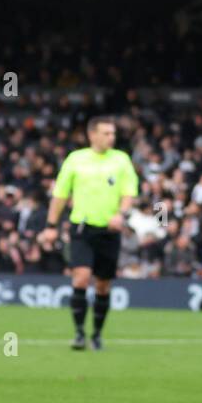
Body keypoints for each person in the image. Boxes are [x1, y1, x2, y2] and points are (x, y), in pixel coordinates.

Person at [42, 116, 139, 351]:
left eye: (113, 133)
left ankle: (96, 333)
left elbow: (129, 192)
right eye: (106, 133)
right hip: (82, 228)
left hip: (109, 230)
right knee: (82, 277)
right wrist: (51, 226)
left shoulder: (121, 160)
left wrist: (121, 214)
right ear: (92, 135)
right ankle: (78, 333)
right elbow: (60, 195)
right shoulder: (76, 160)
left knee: (103, 285)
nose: (111, 138)